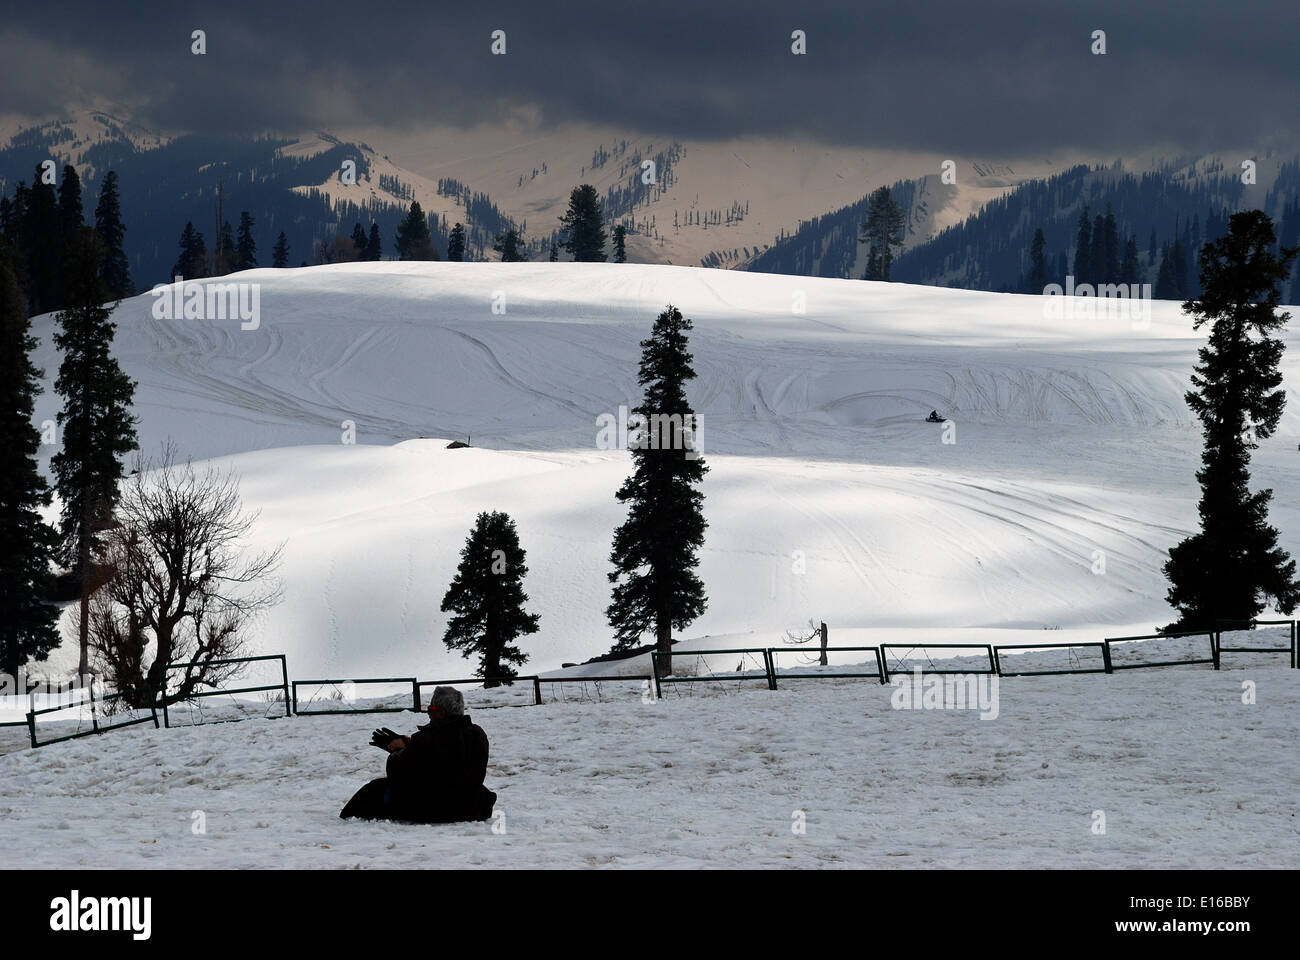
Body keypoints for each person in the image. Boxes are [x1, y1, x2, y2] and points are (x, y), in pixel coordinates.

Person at [339, 686, 497, 823]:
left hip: (436, 809)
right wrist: (411, 746)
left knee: (373, 790)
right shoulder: (478, 734)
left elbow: (399, 775)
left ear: (441, 713)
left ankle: (345, 822)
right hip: (470, 806)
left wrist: (397, 751)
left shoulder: (427, 739)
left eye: (431, 710)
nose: (428, 714)